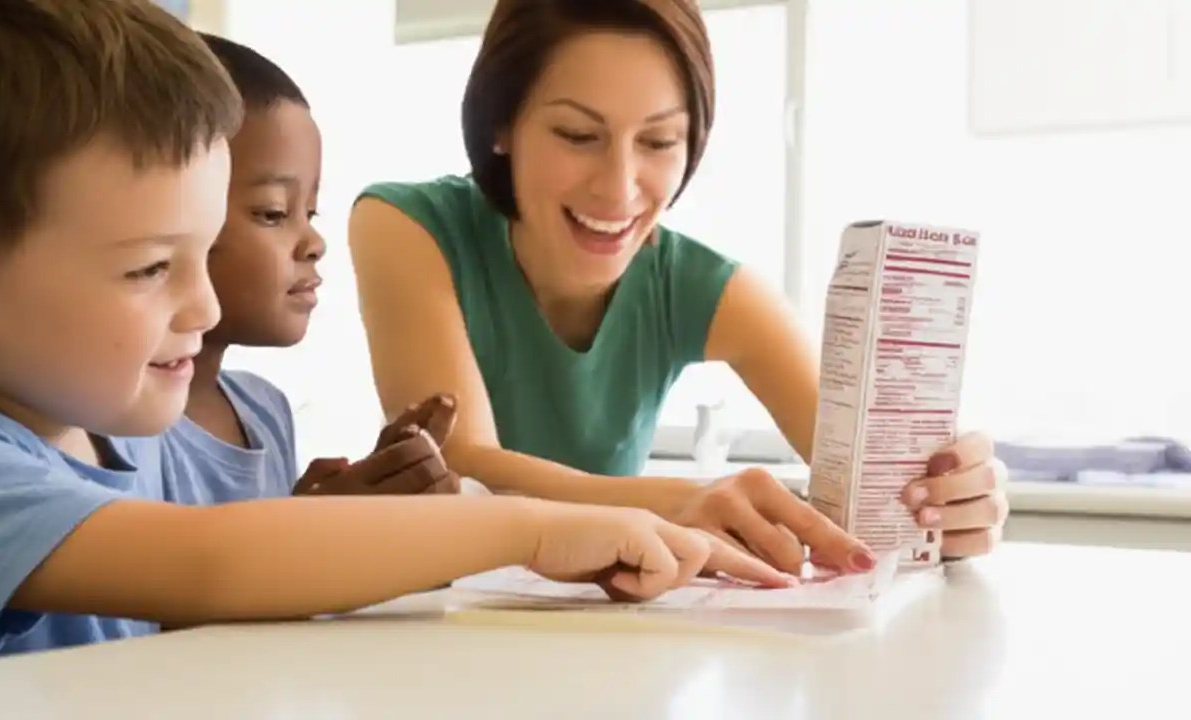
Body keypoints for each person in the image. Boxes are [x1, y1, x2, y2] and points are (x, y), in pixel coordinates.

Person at [0, 0, 780, 671]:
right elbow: (205, 564)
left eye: (203, 252)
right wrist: (531, 530)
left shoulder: (105, 422)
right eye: (148, 269)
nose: (206, 308)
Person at [348, 0, 1010, 572]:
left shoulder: (703, 285)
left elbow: (879, 481)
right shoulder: (405, 226)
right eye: (578, 135)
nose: (619, 186)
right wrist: (682, 500)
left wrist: (951, 502)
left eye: (660, 141)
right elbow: (461, 467)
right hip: (443, 621)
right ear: (500, 126)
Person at [162, 32, 458, 505]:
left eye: (311, 213)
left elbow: (273, 569)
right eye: (273, 213)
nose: (314, 243)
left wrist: (358, 502)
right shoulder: (119, 428)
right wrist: (315, 526)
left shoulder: (264, 410)